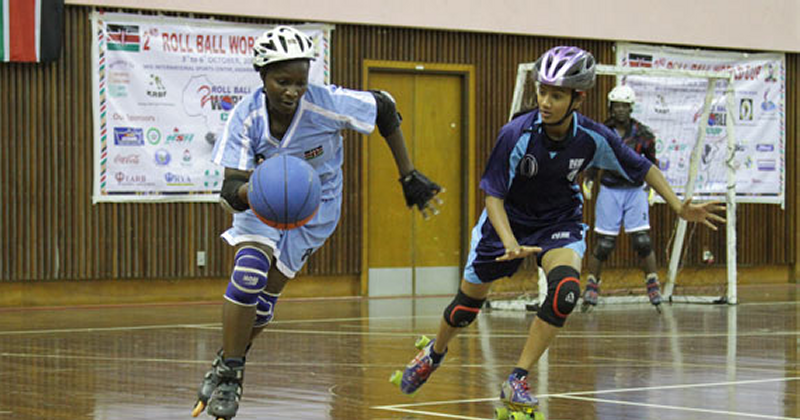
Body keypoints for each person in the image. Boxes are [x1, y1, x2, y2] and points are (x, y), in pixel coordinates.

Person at [395, 46, 725, 416]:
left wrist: (679, 206)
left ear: (577, 98)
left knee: (566, 292)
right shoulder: (515, 133)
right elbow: (493, 197)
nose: (545, 101)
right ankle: (435, 352)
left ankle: (516, 379)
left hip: (559, 223)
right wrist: (510, 242)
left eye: (556, 94)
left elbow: (642, 167)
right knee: (465, 310)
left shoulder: (592, 137)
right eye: (542, 91)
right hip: (507, 224)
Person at [191, 26, 443, 420]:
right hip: (259, 205)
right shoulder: (247, 116)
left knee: (263, 305)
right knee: (248, 276)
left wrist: (408, 174)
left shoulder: (325, 104)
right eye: (282, 81)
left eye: (300, 82)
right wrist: (258, 192)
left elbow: (385, 107)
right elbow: (229, 188)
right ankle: (233, 376)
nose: (292, 91)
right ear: (262, 77)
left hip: (315, 209)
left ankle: (226, 359)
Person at [580, 85, 661, 312]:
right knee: (604, 243)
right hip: (610, 189)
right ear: (610, 107)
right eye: (617, 106)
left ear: (631, 108)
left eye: (625, 106)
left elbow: (652, 162)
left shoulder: (643, 135)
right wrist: (589, 179)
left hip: (635, 190)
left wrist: (653, 187)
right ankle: (592, 284)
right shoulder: (601, 132)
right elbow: (593, 157)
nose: (621, 111)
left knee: (642, 240)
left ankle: (652, 282)